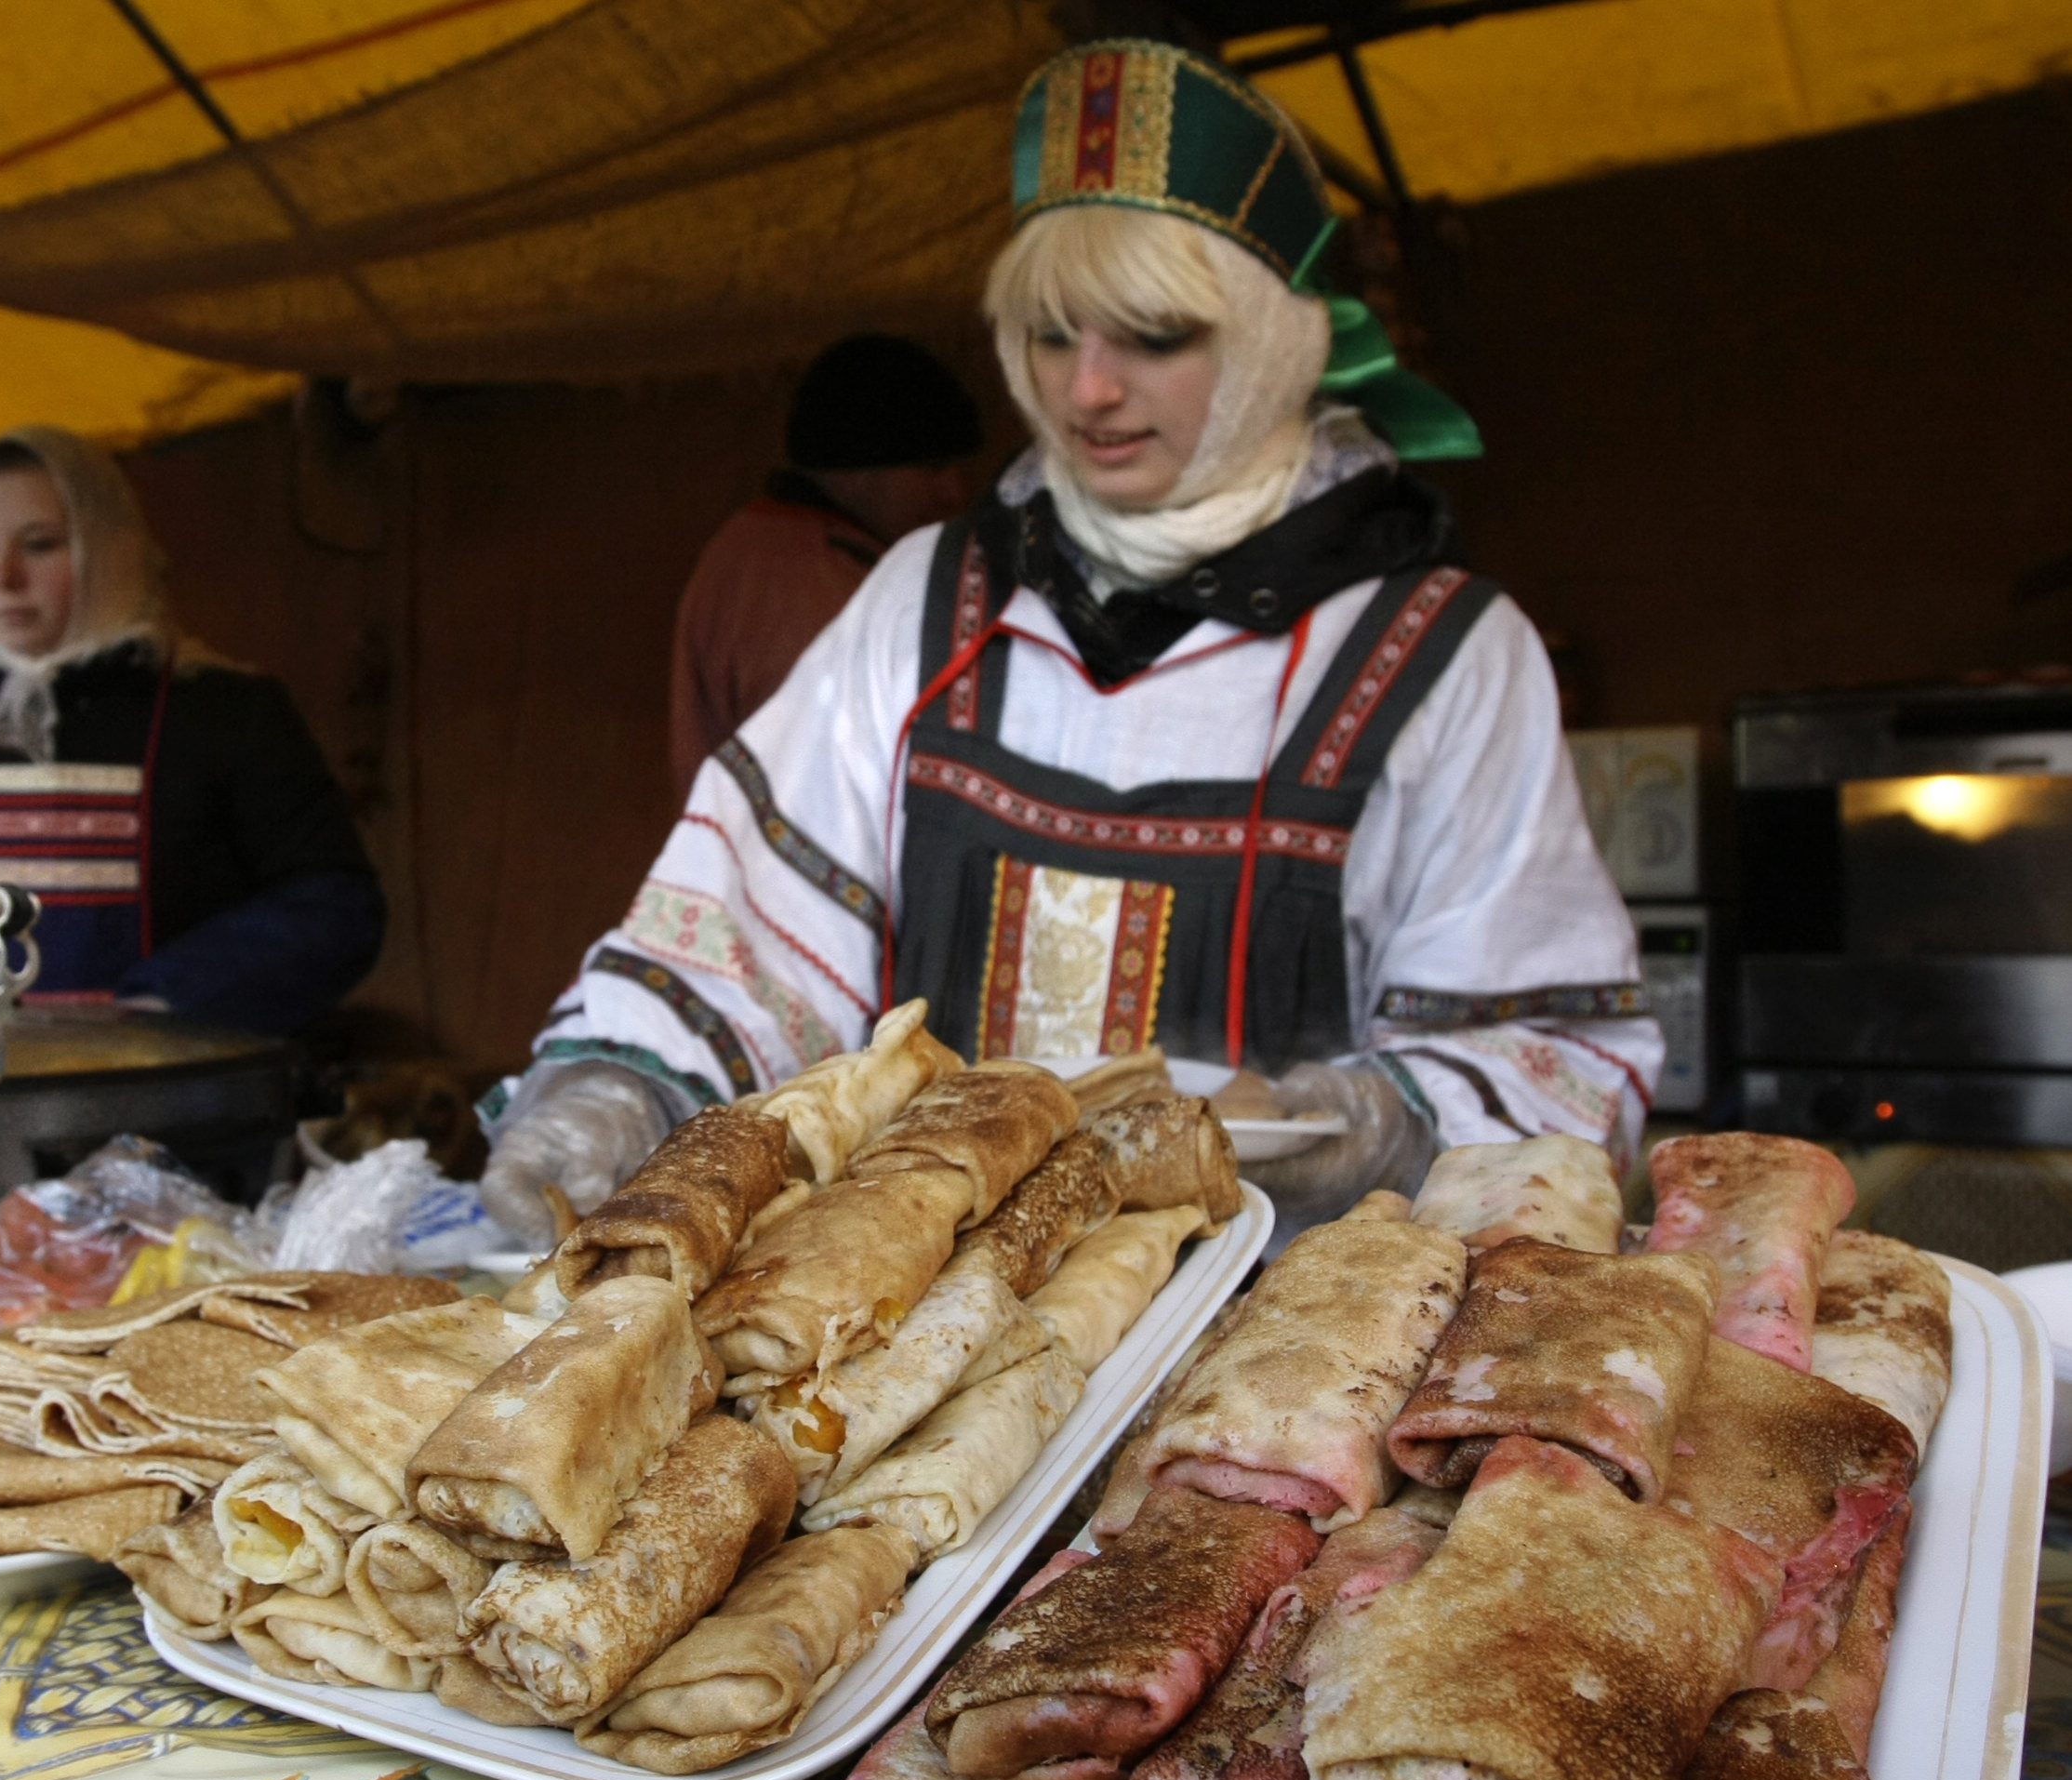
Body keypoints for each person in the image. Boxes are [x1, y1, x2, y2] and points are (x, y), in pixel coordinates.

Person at [482, 39, 1657, 1244]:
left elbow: (1556, 1061)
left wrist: (1377, 1125)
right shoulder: (928, 600)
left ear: (1268, 341)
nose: (1087, 390)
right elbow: (742, 941)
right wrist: (618, 1091)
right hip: (920, 1318)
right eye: (1050, 335)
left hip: (1287, 1362)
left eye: (1152, 335)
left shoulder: (1443, 653)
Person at [0, 424, 385, 1038]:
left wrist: (168, 999)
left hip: (184, 1103)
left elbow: (335, 905)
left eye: (39, 545)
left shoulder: (224, 711)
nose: (4, 578)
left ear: (108, 544)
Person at [669, 335, 986, 787]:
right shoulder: (800, 582)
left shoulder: (763, 548)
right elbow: (830, 775)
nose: (954, 492)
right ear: (858, 470)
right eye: (931, 468)